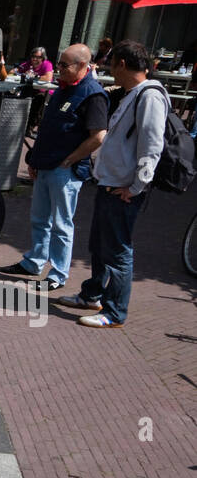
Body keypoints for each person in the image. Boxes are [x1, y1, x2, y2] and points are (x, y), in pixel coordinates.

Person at [59, 40, 167, 328]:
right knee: (99, 245)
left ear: (122, 63)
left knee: (118, 250)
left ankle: (115, 312)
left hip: (123, 189)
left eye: (111, 64)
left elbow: (152, 146)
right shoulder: (132, 93)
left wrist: (136, 186)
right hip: (110, 183)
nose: (109, 69)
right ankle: (91, 294)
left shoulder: (150, 96)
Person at [0, 45, 106, 291]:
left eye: (64, 65)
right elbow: (49, 128)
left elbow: (98, 136)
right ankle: (34, 262)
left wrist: (70, 159)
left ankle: (58, 274)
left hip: (65, 171)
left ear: (81, 66)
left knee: (61, 224)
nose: (59, 69)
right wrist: (34, 159)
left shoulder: (92, 94)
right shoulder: (62, 89)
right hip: (46, 165)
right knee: (39, 218)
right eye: (59, 63)